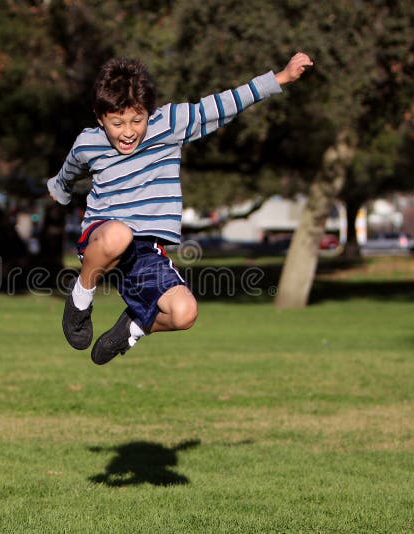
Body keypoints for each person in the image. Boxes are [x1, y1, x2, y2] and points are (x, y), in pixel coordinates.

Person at [48, 52, 313, 365]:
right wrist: (59, 191)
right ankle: (80, 299)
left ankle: (132, 327)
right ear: (99, 116)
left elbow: (222, 105)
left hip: (145, 253)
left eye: (137, 120)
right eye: (117, 123)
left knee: (184, 313)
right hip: (103, 236)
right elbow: (67, 173)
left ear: (150, 111)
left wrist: (279, 78)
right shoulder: (87, 143)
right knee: (118, 234)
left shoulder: (170, 123)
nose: (128, 132)